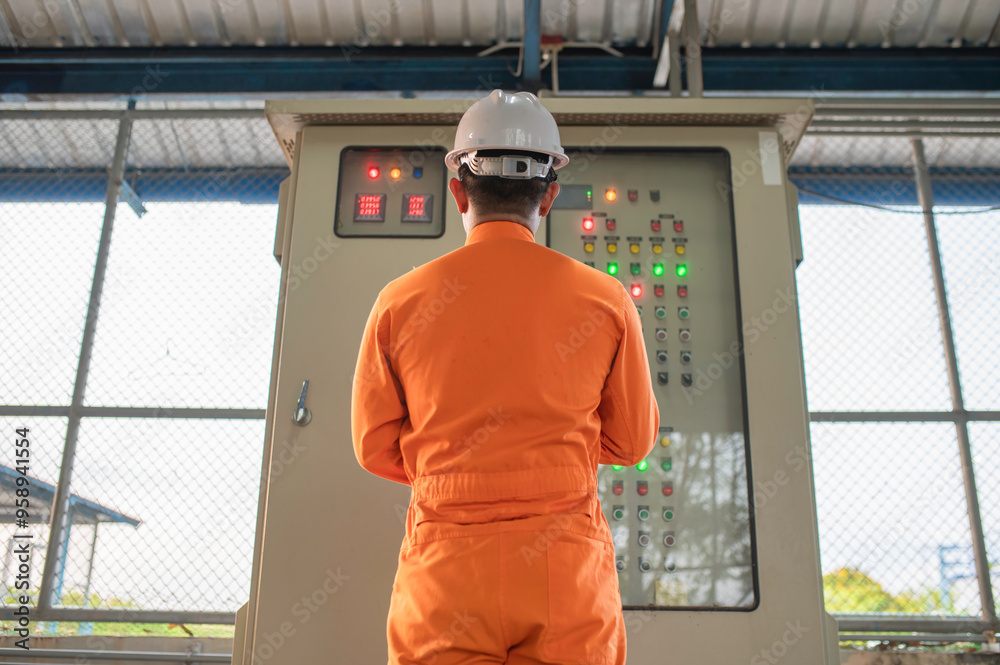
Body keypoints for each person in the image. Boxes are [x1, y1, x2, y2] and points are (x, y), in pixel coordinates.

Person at [351, 89, 659, 665]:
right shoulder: (605, 299)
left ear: (457, 189)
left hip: (446, 572)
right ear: (548, 197)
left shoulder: (401, 302)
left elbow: (374, 447)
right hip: (563, 568)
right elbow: (632, 440)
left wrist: (457, 470)